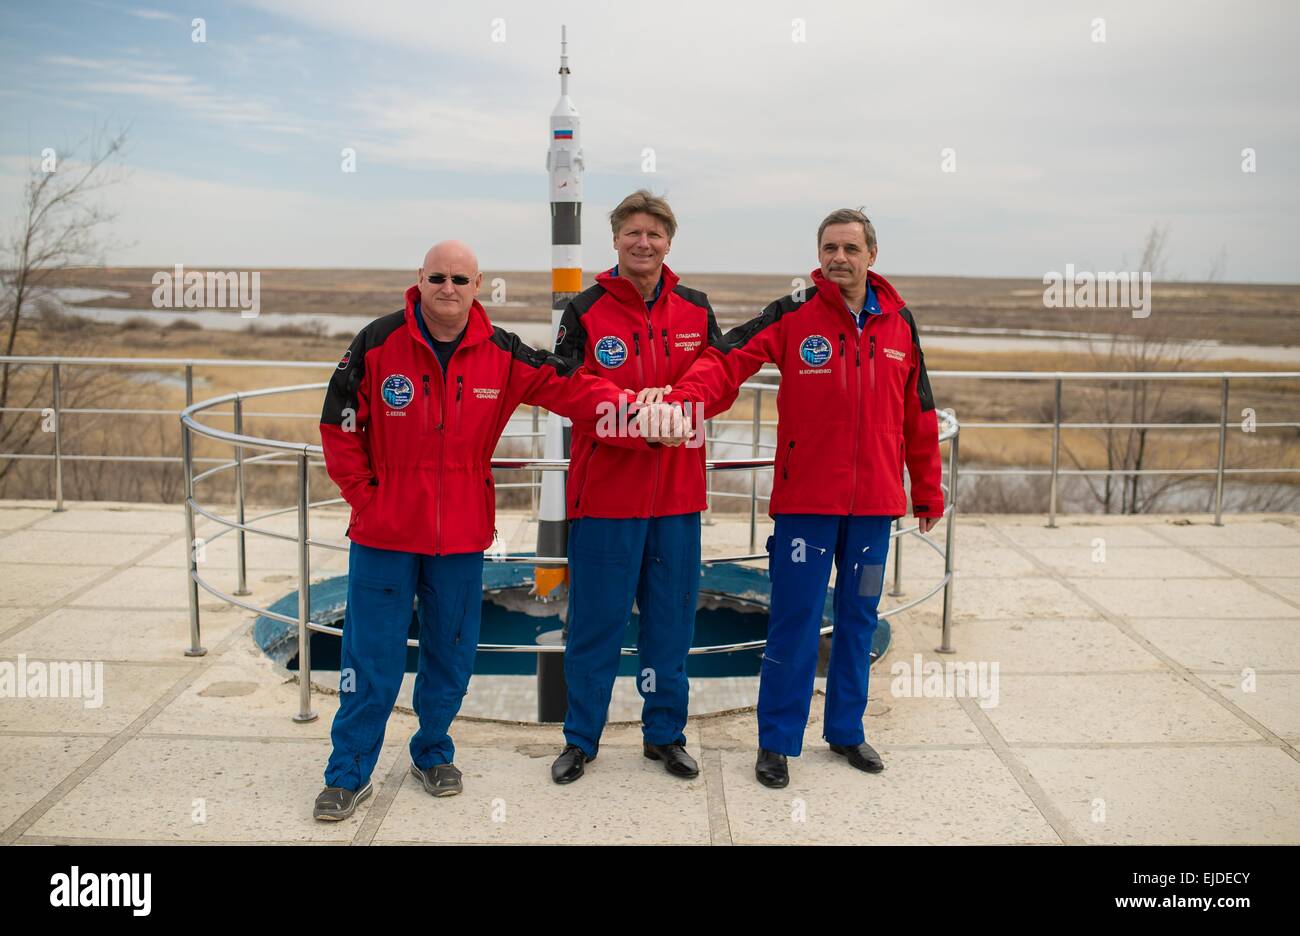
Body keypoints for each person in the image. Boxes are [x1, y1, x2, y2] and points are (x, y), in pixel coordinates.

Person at [314, 240, 641, 819]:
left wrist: (634, 408)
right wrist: (367, 498)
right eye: (437, 277)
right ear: (419, 278)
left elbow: (569, 385)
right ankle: (348, 773)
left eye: (459, 279)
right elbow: (338, 426)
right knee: (370, 657)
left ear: (477, 285)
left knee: (452, 651)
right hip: (384, 534)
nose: (447, 288)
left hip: (461, 534)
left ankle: (433, 752)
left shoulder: (500, 351)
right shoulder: (377, 342)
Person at [658, 208, 944, 788]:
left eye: (850, 248)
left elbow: (919, 411)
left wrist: (928, 490)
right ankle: (777, 743)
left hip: (872, 512)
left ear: (872, 255)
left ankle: (846, 731)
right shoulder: (792, 314)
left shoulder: (899, 323)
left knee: (859, 618)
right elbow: (726, 359)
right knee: (795, 621)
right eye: (829, 248)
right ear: (819, 255)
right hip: (805, 510)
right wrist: (683, 398)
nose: (839, 258)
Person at [547, 190, 737, 784]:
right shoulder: (584, 310)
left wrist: (676, 406)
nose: (644, 242)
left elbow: (721, 383)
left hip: (677, 500)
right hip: (606, 499)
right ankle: (581, 739)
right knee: (595, 626)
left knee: (670, 625)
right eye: (633, 232)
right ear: (616, 239)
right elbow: (568, 391)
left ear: (669, 242)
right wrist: (636, 414)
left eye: (654, 234)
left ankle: (665, 737)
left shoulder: (696, 309)